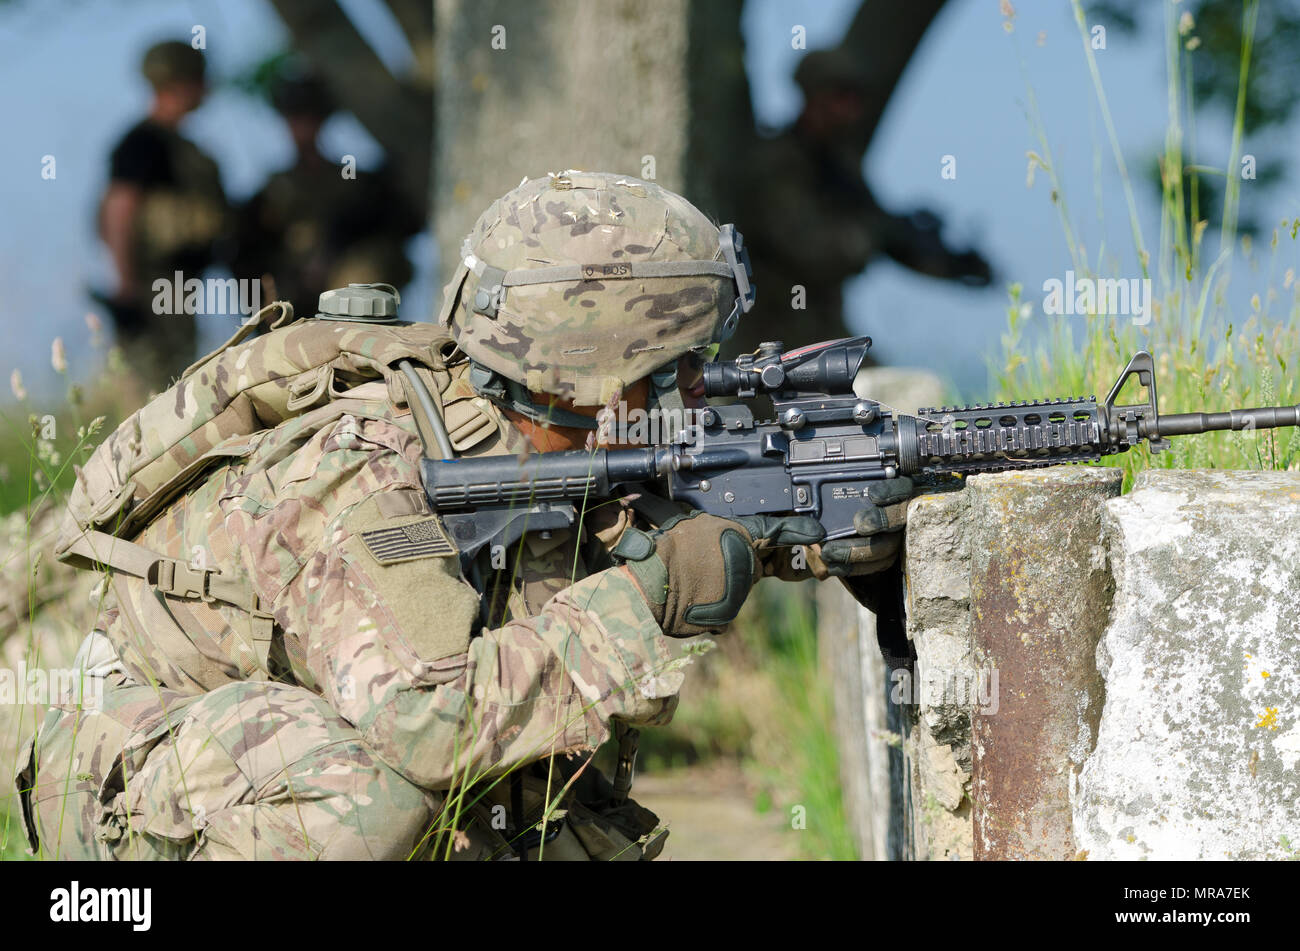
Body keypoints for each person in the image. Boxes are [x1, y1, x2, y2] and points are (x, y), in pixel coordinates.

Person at [17, 172, 911, 860]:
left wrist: (818, 531)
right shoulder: (366, 476)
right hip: (142, 776)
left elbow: (681, 523)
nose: (695, 385)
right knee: (368, 788)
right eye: (674, 364)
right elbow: (429, 725)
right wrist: (653, 594)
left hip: (292, 739)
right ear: (587, 367)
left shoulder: (551, 438)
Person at [727, 47, 993, 360]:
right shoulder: (777, 165)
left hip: (821, 333)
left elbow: (889, 238)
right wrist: (874, 235)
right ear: (813, 96)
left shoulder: (838, 164)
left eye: (857, 97)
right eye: (841, 95)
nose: (851, 108)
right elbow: (809, 249)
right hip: (769, 342)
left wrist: (953, 265)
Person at [96, 40, 230, 391]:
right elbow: (120, 208)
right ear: (181, 82)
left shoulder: (181, 146)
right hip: (153, 285)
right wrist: (126, 287)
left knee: (179, 379)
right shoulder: (143, 142)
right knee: (159, 390)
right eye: (199, 79)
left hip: (177, 284)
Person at [234, 69, 422, 316]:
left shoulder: (357, 184)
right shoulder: (269, 192)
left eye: (308, 116)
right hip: (291, 306)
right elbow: (245, 256)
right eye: (294, 116)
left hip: (350, 304)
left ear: (322, 119)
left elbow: (401, 229)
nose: (301, 127)